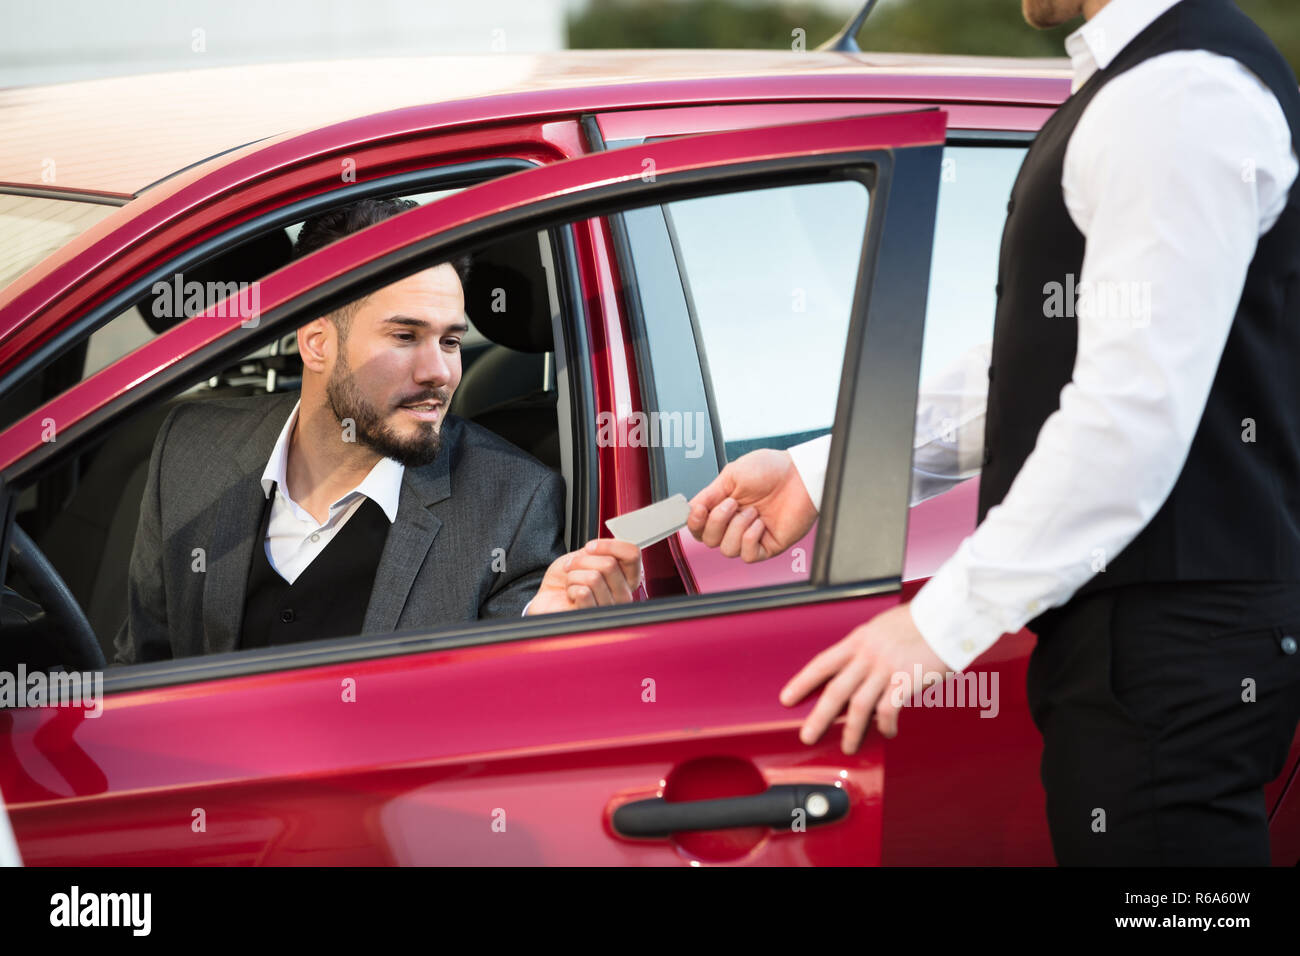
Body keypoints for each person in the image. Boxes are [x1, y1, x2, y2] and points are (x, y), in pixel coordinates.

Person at [688, 0, 1300, 865]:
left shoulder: (1178, 95)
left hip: (1175, 661)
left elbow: (1128, 418)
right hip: (1145, 656)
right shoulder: (1143, 83)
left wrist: (934, 626)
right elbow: (1036, 365)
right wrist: (826, 473)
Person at [116, 198, 641, 664]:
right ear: (317, 341)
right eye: (405, 335)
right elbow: (139, 670)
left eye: (451, 342)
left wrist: (539, 633)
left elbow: (496, 684)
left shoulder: (510, 499)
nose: (439, 371)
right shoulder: (190, 449)